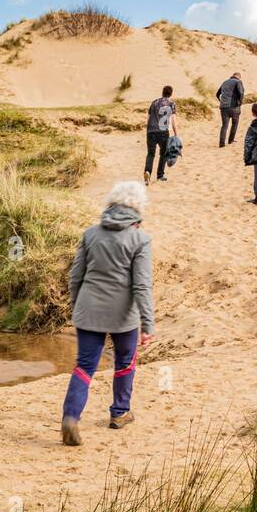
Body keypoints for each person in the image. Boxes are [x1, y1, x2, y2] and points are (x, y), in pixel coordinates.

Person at [61, 181, 155, 443]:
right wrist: (148, 324)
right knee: (125, 362)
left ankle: (71, 417)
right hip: (123, 317)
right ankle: (119, 413)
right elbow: (142, 284)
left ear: (110, 204)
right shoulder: (140, 239)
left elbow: (75, 276)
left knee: (84, 366)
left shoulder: (91, 234)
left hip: (88, 310)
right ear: (138, 208)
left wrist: (77, 305)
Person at [144, 85, 178, 184]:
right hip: (163, 132)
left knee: (151, 153)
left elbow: (148, 118)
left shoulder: (154, 102)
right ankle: (160, 175)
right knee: (163, 153)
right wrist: (176, 135)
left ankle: (147, 171)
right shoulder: (171, 103)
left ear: (162, 92)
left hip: (151, 131)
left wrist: (148, 131)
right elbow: (174, 122)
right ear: (171, 93)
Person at [216, 72, 244, 147]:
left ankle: (222, 143)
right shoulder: (238, 82)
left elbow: (217, 94)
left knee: (224, 125)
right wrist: (240, 103)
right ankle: (230, 140)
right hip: (234, 106)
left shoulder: (224, 82)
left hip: (223, 107)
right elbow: (241, 93)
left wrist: (221, 101)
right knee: (235, 123)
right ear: (238, 77)